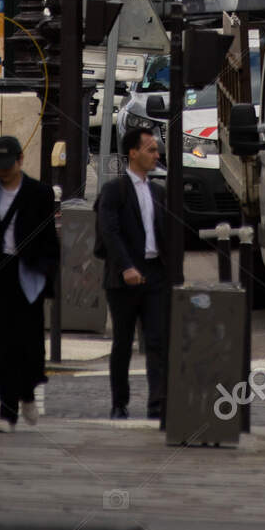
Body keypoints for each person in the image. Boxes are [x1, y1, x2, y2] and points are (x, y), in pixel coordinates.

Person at [0, 136, 58, 432]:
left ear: (20, 159)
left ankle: (28, 392)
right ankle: (7, 411)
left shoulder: (40, 193)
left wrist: (48, 274)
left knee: (29, 344)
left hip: (27, 272)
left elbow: (49, 240)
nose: (2, 172)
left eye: (7, 165)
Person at [96, 125, 167, 421]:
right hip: (123, 278)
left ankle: (158, 403)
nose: (156, 154)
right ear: (133, 152)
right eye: (150, 149)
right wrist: (126, 266)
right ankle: (119, 402)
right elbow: (109, 232)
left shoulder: (158, 191)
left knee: (157, 341)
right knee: (123, 342)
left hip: (154, 275)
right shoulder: (114, 190)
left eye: (156, 149)